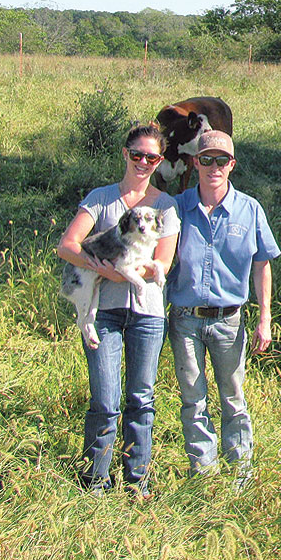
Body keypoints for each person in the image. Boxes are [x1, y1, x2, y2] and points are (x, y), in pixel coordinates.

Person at [56, 123, 180, 497]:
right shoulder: (101, 198)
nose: (143, 162)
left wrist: (126, 274)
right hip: (105, 312)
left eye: (152, 157)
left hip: (148, 314)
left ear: (159, 161)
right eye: (137, 154)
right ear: (125, 154)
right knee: (106, 400)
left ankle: (136, 481)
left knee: (141, 399)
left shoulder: (165, 207)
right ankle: (95, 479)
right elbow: (68, 245)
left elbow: (164, 261)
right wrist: (101, 269)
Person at [165, 129, 280, 487]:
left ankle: (239, 476)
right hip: (185, 320)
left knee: (233, 398)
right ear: (195, 163)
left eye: (221, 160)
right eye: (206, 160)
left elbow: (263, 263)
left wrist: (265, 318)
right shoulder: (177, 207)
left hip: (230, 321)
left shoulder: (250, 209)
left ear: (232, 165)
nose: (213, 167)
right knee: (193, 399)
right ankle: (203, 474)